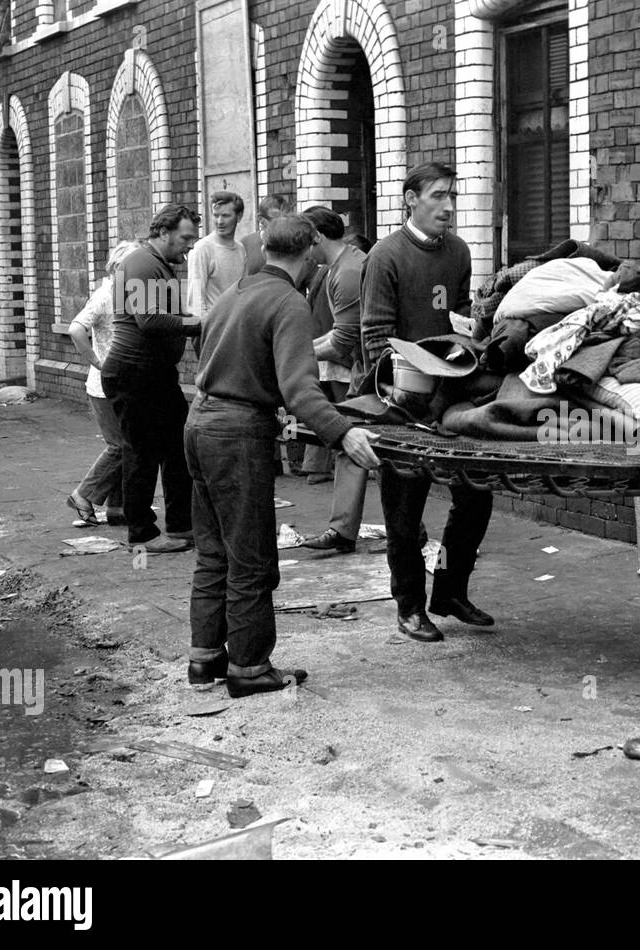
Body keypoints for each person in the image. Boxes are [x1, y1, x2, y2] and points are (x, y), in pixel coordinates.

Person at [185, 214, 381, 697]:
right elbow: (300, 390)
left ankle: (205, 660)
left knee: (214, 553)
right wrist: (345, 434)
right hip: (237, 434)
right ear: (311, 248)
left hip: (199, 424)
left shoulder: (235, 293)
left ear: (265, 247)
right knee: (251, 557)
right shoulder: (289, 301)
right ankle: (249, 669)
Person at [303, 162, 491, 643]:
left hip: (450, 400)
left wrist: (470, 336)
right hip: (398, 401)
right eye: (438, 196)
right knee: (404, 514)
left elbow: (460, 315)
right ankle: (409, 606)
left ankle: (448, 590)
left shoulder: (459, 251)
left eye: (452, 196)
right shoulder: (385, 256)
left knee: (475, 496)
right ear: (411, 199)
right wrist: (410, 391)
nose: (448, 206)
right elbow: (374, 340)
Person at [100, 204, 202, 554]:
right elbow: (150, 320)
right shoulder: (142, 263)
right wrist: (199, 323)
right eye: (185, 238)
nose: (189, 246)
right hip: (134, 373)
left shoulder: (157, 265)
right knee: (141, 453)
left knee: (177, 448)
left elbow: (170, 313)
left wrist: (192, 319)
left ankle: (181, 525)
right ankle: (142, 533)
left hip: (154, 374)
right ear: (162, 233)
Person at [65, 240, 139, 527]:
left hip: (118, 384)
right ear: (119, 266)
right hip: (104, 385)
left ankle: (117, 509)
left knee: (127, 445)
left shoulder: (127, 293)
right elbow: (75, 328)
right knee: (121, 446)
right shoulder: (106, 295)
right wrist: (97, 362)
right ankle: (83, 495)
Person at [302, 206, 367, 484]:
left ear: (317, 237)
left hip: (367, 369)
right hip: (359, 365)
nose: (303, 250)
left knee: (353, 443)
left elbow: (341, 342)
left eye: (305, 240)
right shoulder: (338, 266)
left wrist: (298, 353)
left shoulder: (347, 271)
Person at [185, 191, 247, 320]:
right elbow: (195, 302)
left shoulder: (241, 249)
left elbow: (243, 292)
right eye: (216, 215)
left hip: (234, 326)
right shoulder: (202, 249)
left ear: (239, 216)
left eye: (225, 216)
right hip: (211, 329)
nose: (220, 221)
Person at [242, 195, 287, 276]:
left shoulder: (296, 245)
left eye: (285, 220)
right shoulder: (245, 245)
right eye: (275, 220)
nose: (281, 225)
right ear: (260, 219)